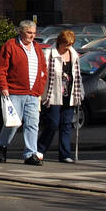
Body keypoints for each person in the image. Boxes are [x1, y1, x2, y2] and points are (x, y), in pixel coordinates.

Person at [0, 19, 48, 165]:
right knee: (12, 124)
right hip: (14, 92)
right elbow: (1, 68)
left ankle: (30, 154)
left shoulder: (37, 48)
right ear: (21, 32)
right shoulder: (10, 45)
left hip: (32, 93)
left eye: (34, 33)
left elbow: (43, 69)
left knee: (33, 124)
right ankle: (2, 145)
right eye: (29, 33)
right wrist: (3, 87)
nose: (32, 36)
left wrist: (39, 87)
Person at [40, 29, 84, 162]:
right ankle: (40, 149)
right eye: (65, 44)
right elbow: (42, 73)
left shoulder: (74, 55)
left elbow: (77, 75)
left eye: (70, 44)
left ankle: (65, 154)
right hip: (53, 94)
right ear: (59, 42)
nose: (67, 47)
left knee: (66, 124)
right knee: (53, 123)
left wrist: (80, 92)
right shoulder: (49, 53)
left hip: (69, 94)